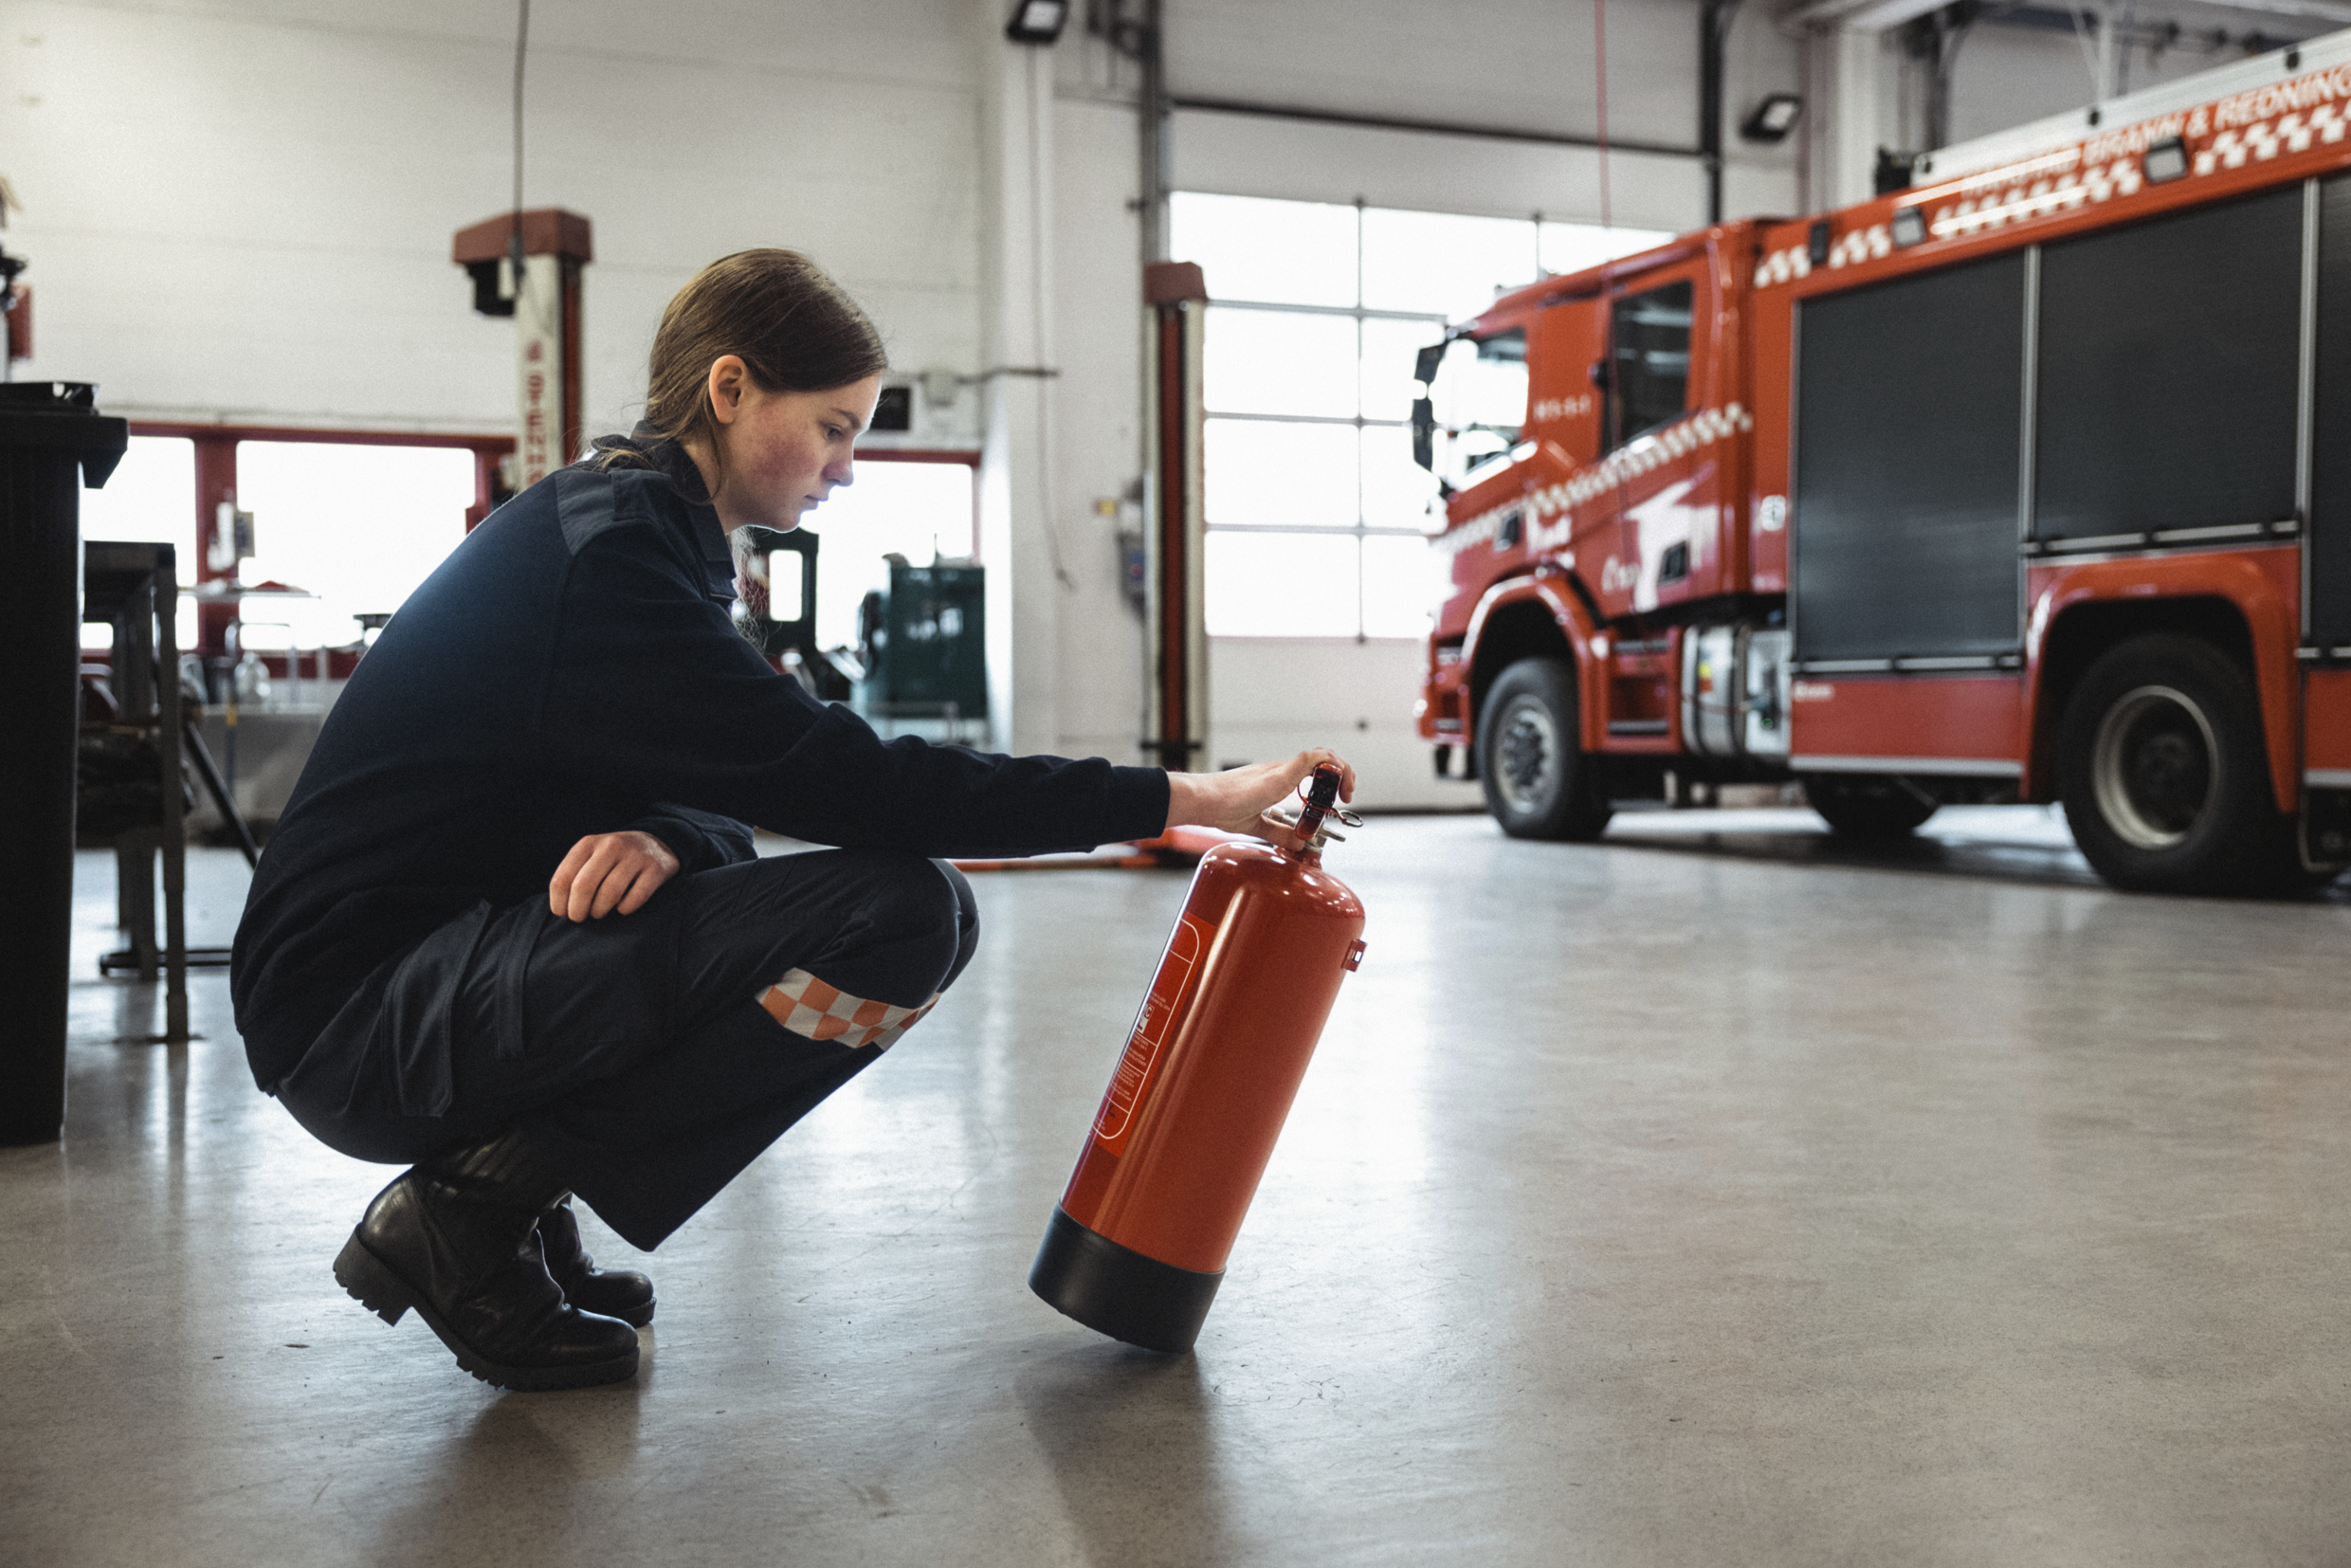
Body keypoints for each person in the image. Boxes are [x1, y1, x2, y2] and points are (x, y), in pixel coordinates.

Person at [229, 248, 1354, 1393]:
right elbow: (841, 780)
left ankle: (510, 1191)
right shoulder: (613, 557)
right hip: (359, 1025)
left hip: (421, 974)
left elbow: (717, 788)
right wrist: (1180, 799)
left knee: (898, 910)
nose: (847, 468)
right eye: (832, 428)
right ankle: (471, 1208)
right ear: (730, 390)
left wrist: (666, 832)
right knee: (904, 915)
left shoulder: (645, 531)